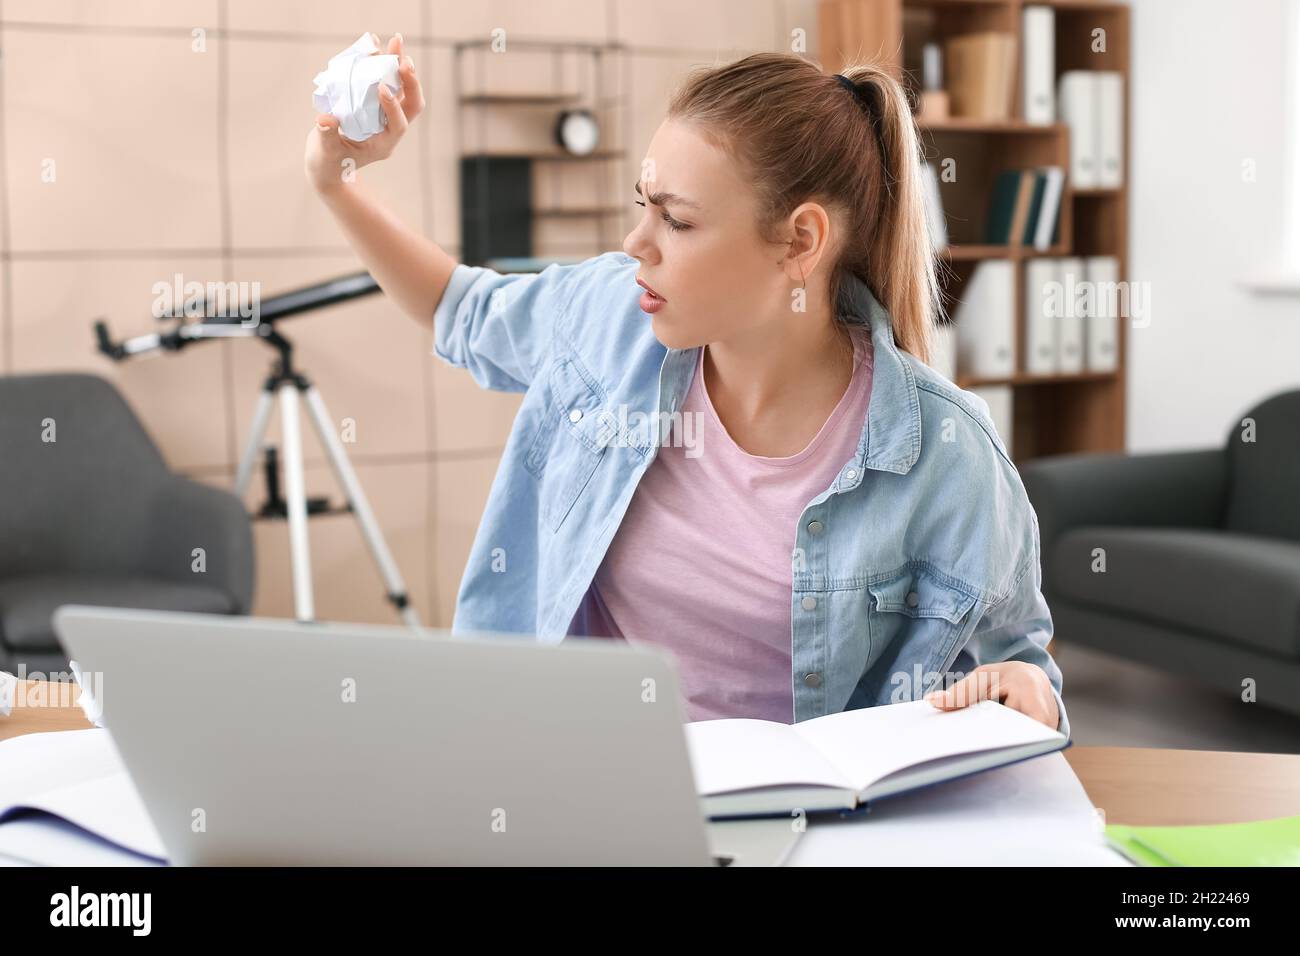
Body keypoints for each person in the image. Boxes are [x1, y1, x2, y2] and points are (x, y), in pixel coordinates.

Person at [304, 38, 1067, 736]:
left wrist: (1023, 691)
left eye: (677, 221)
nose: (638, 245)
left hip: (797, 826)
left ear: (799, 242)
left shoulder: (944, 455)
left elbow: (1019, 669)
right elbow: (462, 309)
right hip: (561, 780)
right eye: (644, 206)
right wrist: (337, 183)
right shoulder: (612, 319)